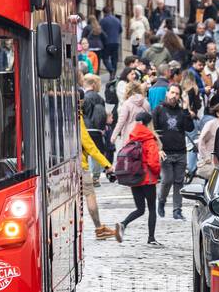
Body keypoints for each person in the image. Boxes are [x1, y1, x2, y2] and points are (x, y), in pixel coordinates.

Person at [115, 111, 162, 245]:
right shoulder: (149, 139)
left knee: (140, 209)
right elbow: (153, 162)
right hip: (148, 179)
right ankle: (151, 238)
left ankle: (123, 223)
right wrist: (158, 173)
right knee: (152, 208)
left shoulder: (132, 138)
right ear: (148, 123)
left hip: (135, 178)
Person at [153, 84, 195, 221]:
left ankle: (177, 209)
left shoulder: (181, 111)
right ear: (167, 93)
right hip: (165, 152)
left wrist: (186, 111)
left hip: (181, 151)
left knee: (179, 182)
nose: (174, 96)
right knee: (167, 179)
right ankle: (161, 200)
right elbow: (153, 130)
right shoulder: (159, 109)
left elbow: (189, 128)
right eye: (172, 92)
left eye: (177, 94)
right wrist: (158, 149)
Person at [78, 102, 115, 240]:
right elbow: (88, 144)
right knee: (90, 195)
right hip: (79, 165)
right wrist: (106, 164)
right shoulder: (75, 116)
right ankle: (99, 228)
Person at [80, 75, 109, 185]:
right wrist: (101, 127)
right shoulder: (99, 98)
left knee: (85, 152)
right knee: (96, 152)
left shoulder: (84, 97)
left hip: (85, 128)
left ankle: (86, 174)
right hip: (96, 129)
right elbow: (101, 113)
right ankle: (95, 178)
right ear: (94, 84)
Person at [196, 102, 219, 180]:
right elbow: (201, 140)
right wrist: (206, 157)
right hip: (211, 162)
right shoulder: (211, 124)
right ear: (218, 113)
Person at [112, 81, 149, 149]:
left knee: (130, 157)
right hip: (143, 134)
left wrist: (114, 136)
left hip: (130, 135)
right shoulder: (146, 102)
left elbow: (121, 121)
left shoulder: (127, 104)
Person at [99, 8, 122, 76]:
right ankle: (113, 75)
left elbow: (100, 32)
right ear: (111, 11)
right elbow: (120, 30)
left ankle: (111, 70)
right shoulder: (117, 20)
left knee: (105, 58)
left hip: (107, 42)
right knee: (114, 59)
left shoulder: (102, 21)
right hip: (116, 42)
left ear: (104, 13)